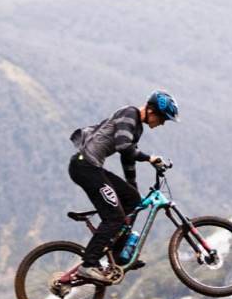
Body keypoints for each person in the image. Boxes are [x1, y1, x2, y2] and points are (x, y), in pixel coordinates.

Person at [68, 89, 179, 283]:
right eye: (163, 119)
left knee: (133, 200)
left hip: (93, 168)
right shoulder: (130, 114)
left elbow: (127, 159)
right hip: (84, 167)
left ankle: (119, 254)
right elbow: (123, 146)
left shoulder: (137, 128)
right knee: (114, 217)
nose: (162, 124)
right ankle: (88, 264)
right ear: (152, 111)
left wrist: (132, 187)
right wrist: (150, 158)